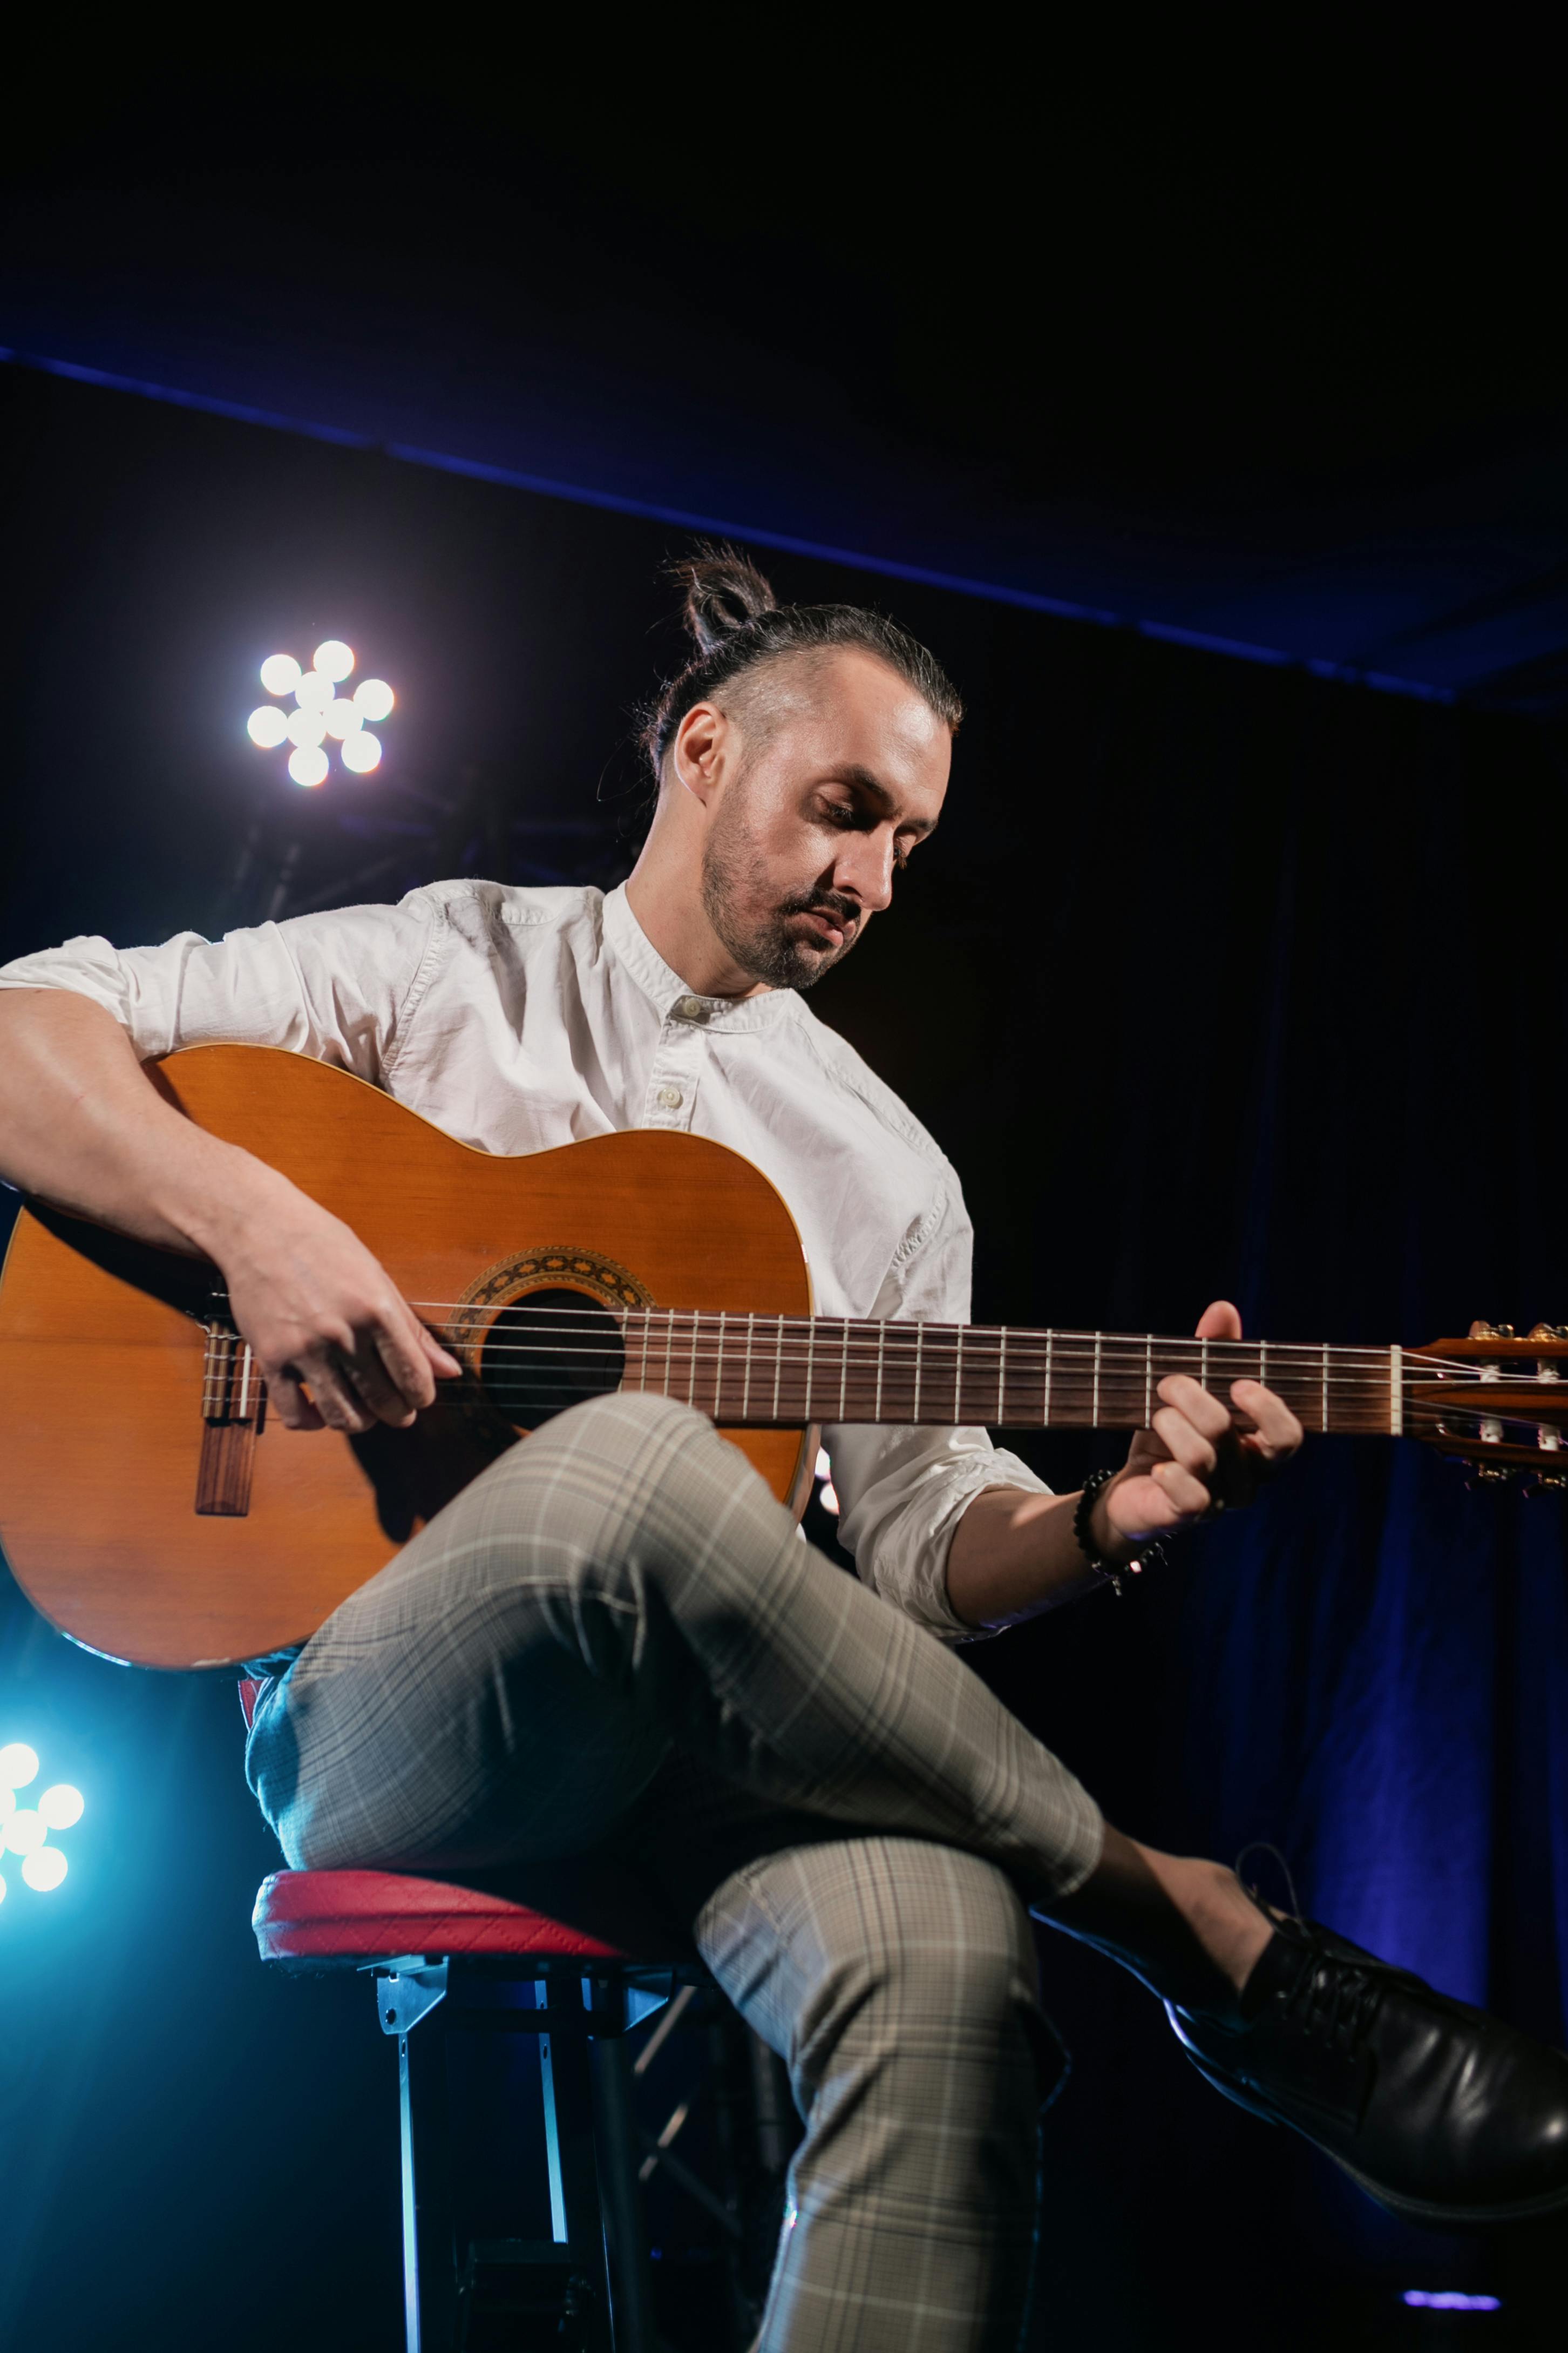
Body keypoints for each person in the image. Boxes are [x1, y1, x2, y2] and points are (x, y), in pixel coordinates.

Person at [1, 550, 1564, 2351]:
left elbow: (919, 1547)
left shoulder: (880, 1166)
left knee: (954, 1959)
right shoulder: (444, 967)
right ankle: (1190, 1924)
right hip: (393, 1715)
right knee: (639, 1464)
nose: (873, 880)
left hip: (706, 1765)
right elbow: (24, 1027)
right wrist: (256, 1229)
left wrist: (1101, 1519)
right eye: (844, 810)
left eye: (908, 841)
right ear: (704, 750)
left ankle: (1155, 1935)